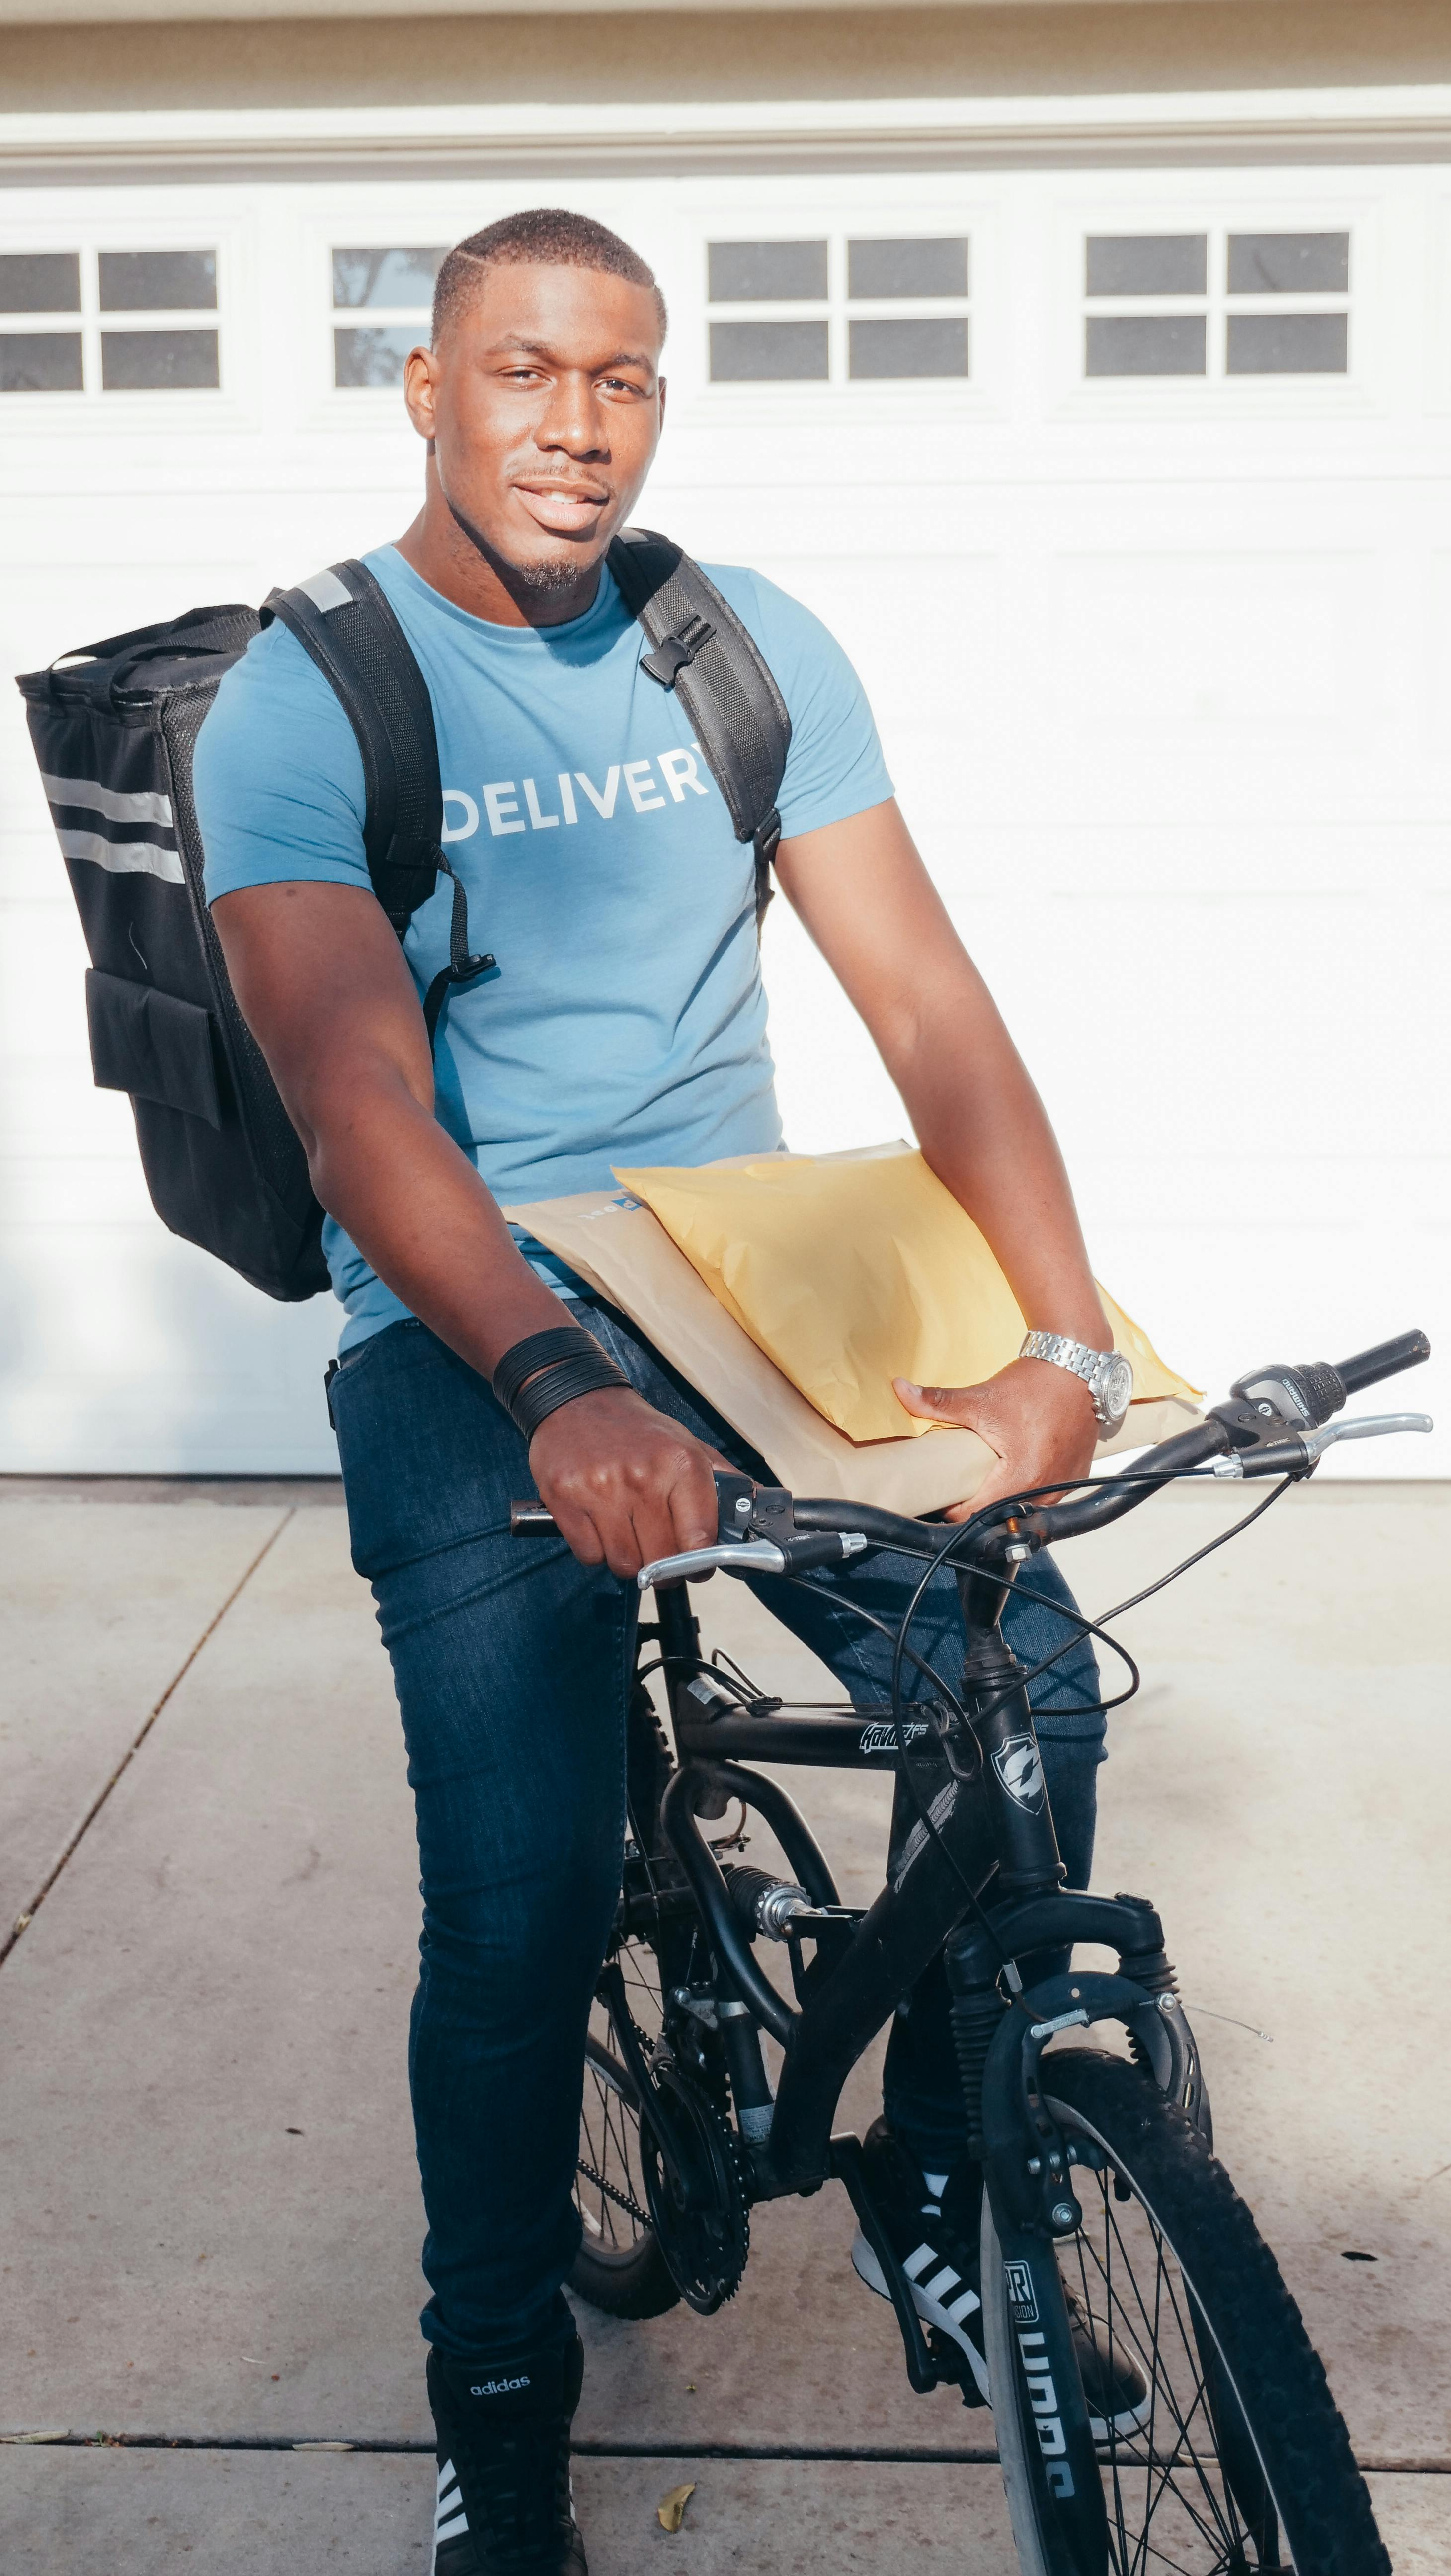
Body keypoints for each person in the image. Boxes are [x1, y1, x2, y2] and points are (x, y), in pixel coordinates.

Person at [196, 207, 1139, 2576]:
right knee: (515, 1915)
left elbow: (929, 1007)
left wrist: (1060, 1341)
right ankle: (497, 2380)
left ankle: (940, 2175)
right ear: (424, 385)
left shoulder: (735, 644)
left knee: (1019, 1686)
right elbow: (353, 1099)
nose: (575, 426)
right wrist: (540, 1380)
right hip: (467, 1316)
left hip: (732, 1278)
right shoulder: (309, 696)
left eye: (621, 380)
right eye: (522, 372)